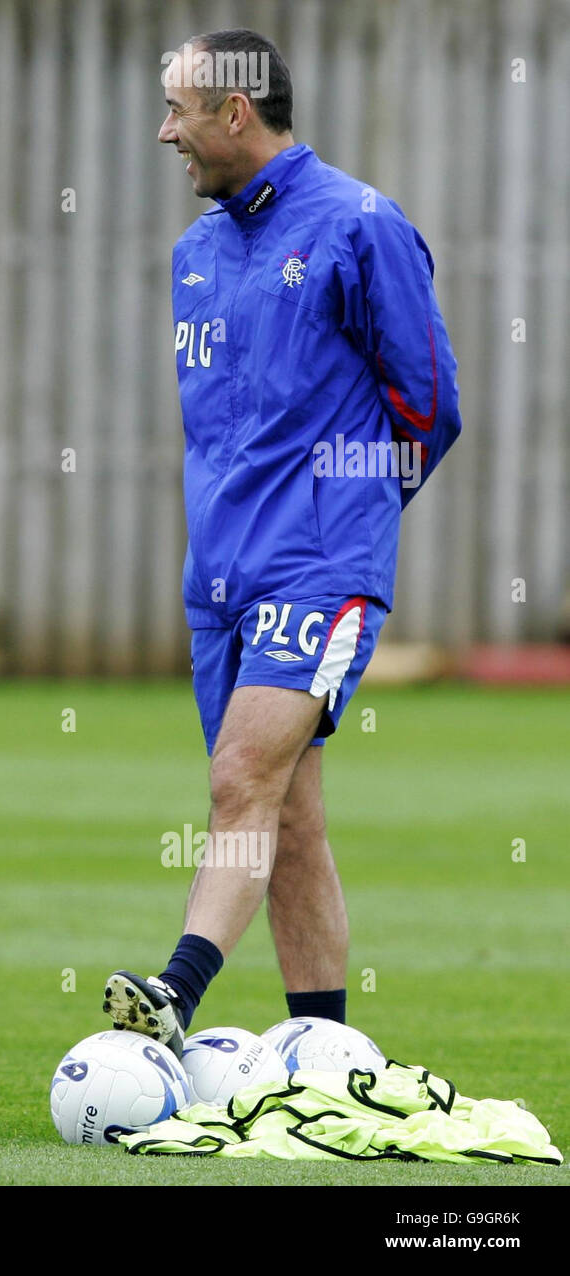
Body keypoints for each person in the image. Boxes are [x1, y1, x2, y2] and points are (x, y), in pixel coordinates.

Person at [103, 29, 461, 1052]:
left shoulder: (357, 224)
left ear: (235, 112)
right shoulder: (195, 252)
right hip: (217, 580)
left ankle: (176, 987)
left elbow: (429, 404)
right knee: (288, 815)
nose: (165, 131)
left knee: (236, 781)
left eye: (179, 109)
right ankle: (326, 1052)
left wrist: (344, 523)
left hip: (318, 568)